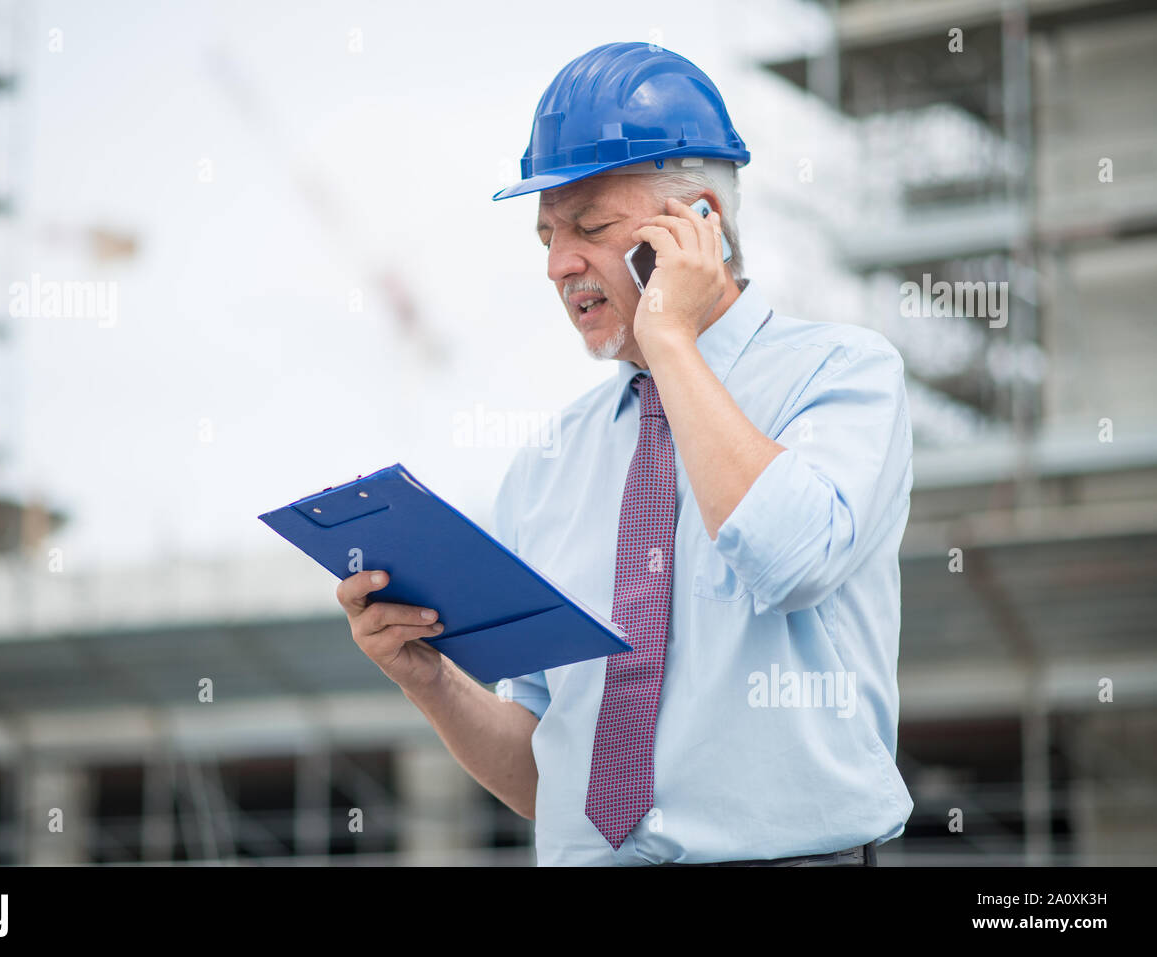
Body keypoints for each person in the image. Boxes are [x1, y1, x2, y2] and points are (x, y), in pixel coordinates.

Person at [335, 41, 913, 866]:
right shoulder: (547, 466)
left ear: (699, 222)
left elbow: (788, 558)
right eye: (546, 235)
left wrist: (671, 337)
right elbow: (551, 778)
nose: (557, 263)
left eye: (591, 227)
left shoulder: (842, 376)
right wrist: (426, 676)